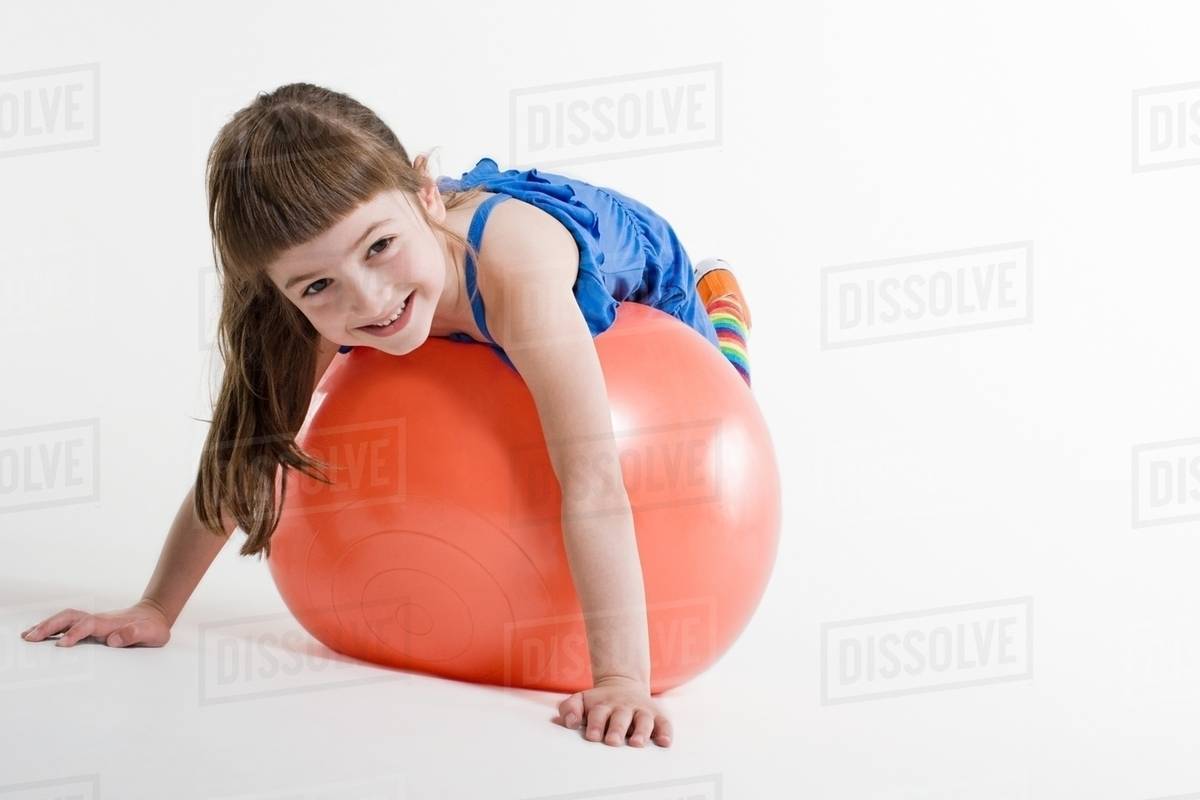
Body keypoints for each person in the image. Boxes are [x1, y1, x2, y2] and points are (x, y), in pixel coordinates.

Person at [18, 82, 753, 749]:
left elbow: (591, 476)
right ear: (284, 290)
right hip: (438, 239)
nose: (367, 300)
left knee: (724, 389)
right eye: (316, 287)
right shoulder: (323, 297)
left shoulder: (519, 277)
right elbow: (251, 452)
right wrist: (154, 608)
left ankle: (722, 314)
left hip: (633, 256)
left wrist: (621, 679)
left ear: (427, 196)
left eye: (380, 247)